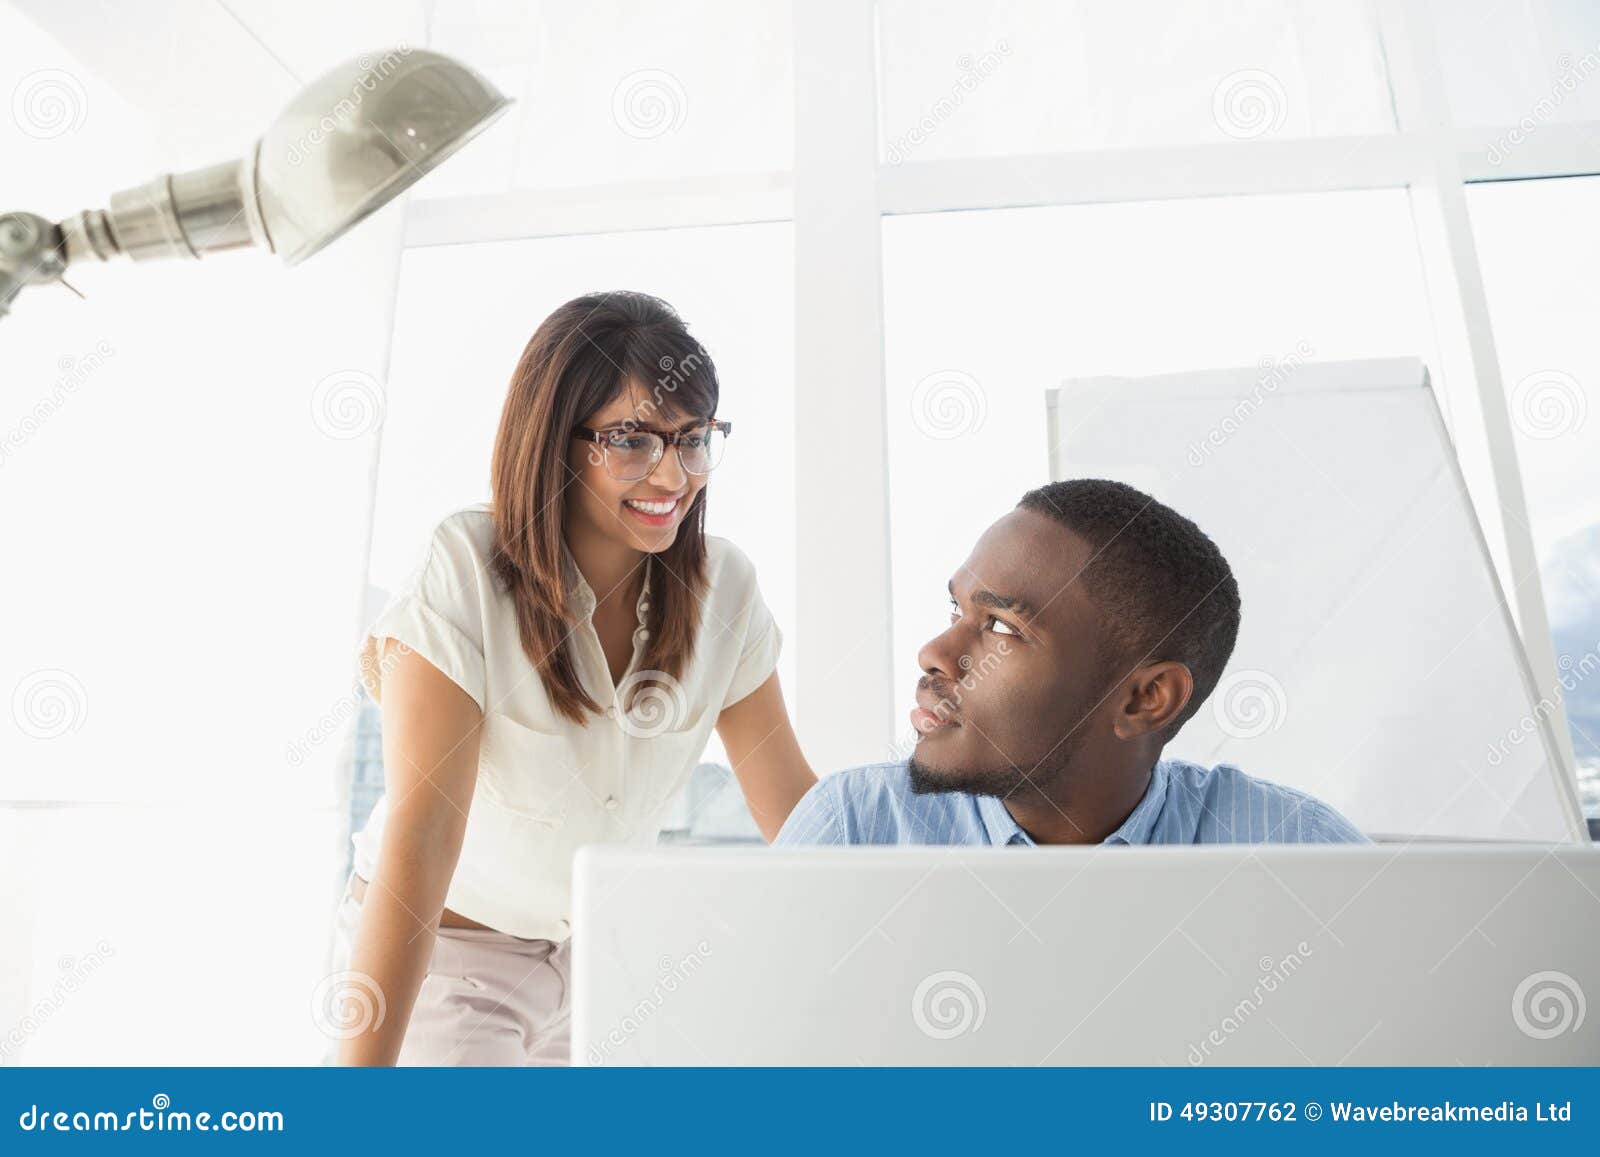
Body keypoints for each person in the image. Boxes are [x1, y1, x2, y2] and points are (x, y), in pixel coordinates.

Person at [330, 291, 815, 1065]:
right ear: (558, 442)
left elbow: (794, 812)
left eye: (693, 439)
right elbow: (421, 838)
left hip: (599, 964)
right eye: (631, 439)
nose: (673, 473)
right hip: (450, 963)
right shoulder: (464, 567)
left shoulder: (725, 588)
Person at [775, 478, 1365, 847]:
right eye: (955, 609)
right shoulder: (851, 831)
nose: (935, 654)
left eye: (1001, 626)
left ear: (1145, 700)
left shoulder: (1299, 854)